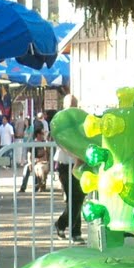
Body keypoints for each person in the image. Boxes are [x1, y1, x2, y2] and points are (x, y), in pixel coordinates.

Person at [53, 95, 84, 243]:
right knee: (74, 198)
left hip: (80, 162)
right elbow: (60, 141)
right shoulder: (60, 120)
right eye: (70, 104)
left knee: (78, 197)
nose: (72, 106)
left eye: (74, 103)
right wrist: (75, 153)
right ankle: (67, 227)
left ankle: (69, 228)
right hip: (65, 164)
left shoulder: (80, 119)